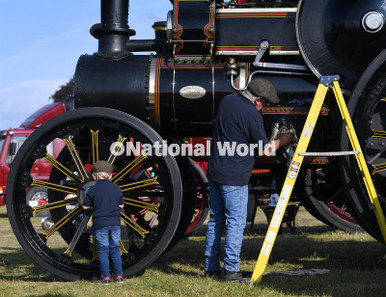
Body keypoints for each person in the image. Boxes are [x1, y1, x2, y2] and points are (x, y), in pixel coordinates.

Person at [204, 78, 293, 282]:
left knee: (216, 220)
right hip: (234, 176)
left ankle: (210, 268)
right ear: (258, 101)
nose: (265, 108)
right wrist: (284, 140)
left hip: (215, 171)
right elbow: (265, 149)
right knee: (236, 222)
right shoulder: (252, 114)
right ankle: (231, 270)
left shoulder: (227, 100)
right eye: (266, 104)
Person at [82, 160, 125, 285]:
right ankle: (119, 276)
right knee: (115, 250)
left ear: (94, 177)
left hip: (100, 224)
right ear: (111, 175)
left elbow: (85, 207)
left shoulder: (92, 190)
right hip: (115, 223)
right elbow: (121, 205)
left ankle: (106, 277)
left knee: (102, 250)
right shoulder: (116, 188)